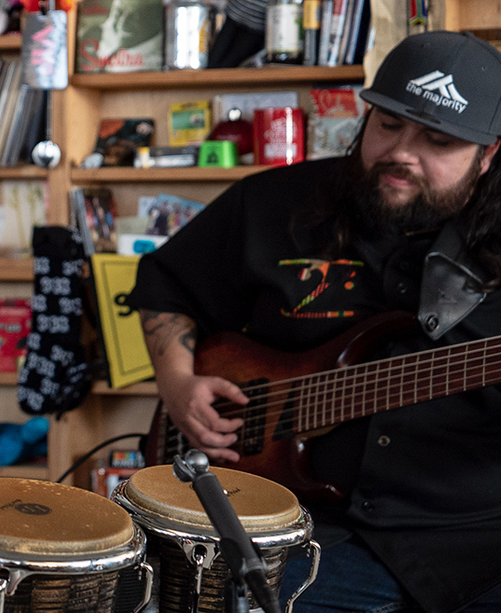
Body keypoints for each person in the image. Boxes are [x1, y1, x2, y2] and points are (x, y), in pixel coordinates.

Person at [128, 31, 501, 613]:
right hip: (299, 529)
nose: (402, 152)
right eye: (388, 125)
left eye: (438, 141)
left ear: (488, 154)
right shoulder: (273, 203)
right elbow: (165, 283)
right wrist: (178, 383)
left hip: (471, 541)